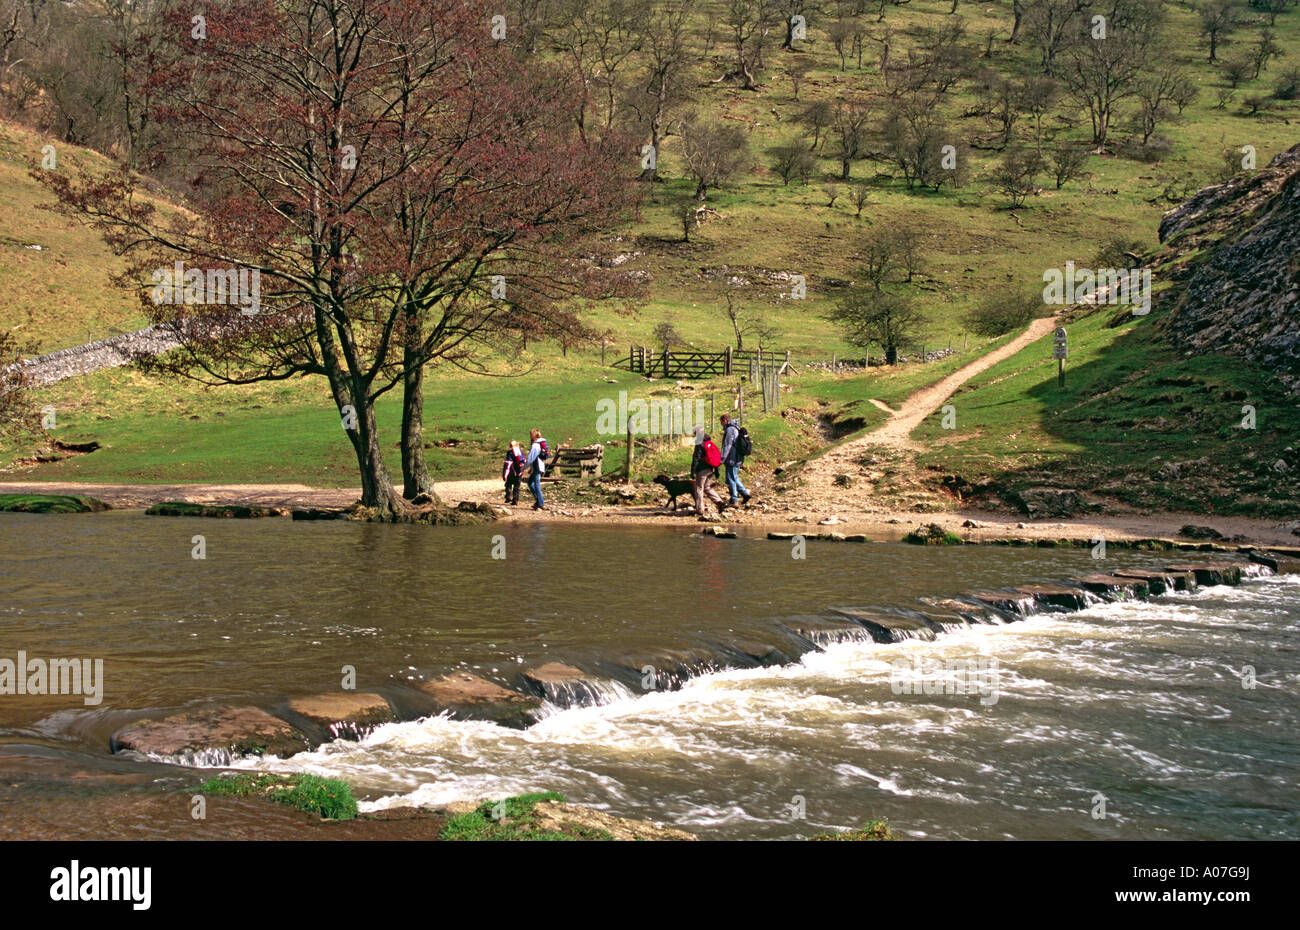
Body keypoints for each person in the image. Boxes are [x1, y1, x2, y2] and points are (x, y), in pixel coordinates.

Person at [690, 426, 727, 520]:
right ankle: (719, 502)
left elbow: (696, 457)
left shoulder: (699, 442)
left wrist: (693, 471)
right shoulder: (709, 442)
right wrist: (717, 470)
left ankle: (699, 509)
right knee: (707, 487)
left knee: (699, 488)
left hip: (702, 469)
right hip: (712, 468)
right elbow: (714, 456)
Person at [719, 414, 753, 507]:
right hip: (738, 458)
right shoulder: (736, 427)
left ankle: (735, 500)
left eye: (721, 422)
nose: (721, 424)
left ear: (725, 421)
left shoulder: (730, 430)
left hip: (732, 458)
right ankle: (745, 493)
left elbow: (727, 446)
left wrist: (721, 459)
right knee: (734, 477)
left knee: (730, 479)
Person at [523, 428, 548, 510]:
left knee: (536, 484)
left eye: (530, 435)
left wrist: (523, 467)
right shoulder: (540, 443)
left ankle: (541, 503)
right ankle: (538, 501)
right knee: (530, 482)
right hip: (539, 466)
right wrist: (531, 468)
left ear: (533, 435)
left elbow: (531, 458)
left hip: (537, 467)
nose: (530, 436)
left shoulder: (535, 445)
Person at [502, 439, 525, 505]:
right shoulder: (520, 451)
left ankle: (508, 497)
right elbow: (524, 461)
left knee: (508, 484)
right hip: (520, 472)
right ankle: (515, 500)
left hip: (511, 472)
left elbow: (508, 463)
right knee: (517, 486)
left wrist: (504, 475)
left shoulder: (510, 452)